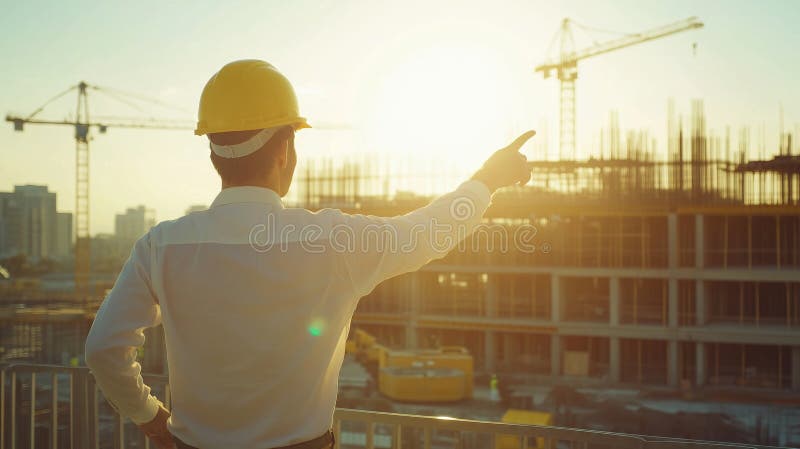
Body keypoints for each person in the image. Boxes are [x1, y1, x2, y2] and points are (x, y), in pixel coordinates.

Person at [85, 59, 534, 449]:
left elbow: (104, 348)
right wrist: (487, 180)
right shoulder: (331, 241)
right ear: (284, 150)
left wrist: (149, 416)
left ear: (213, 153)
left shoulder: (161, 246)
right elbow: (428, 232)